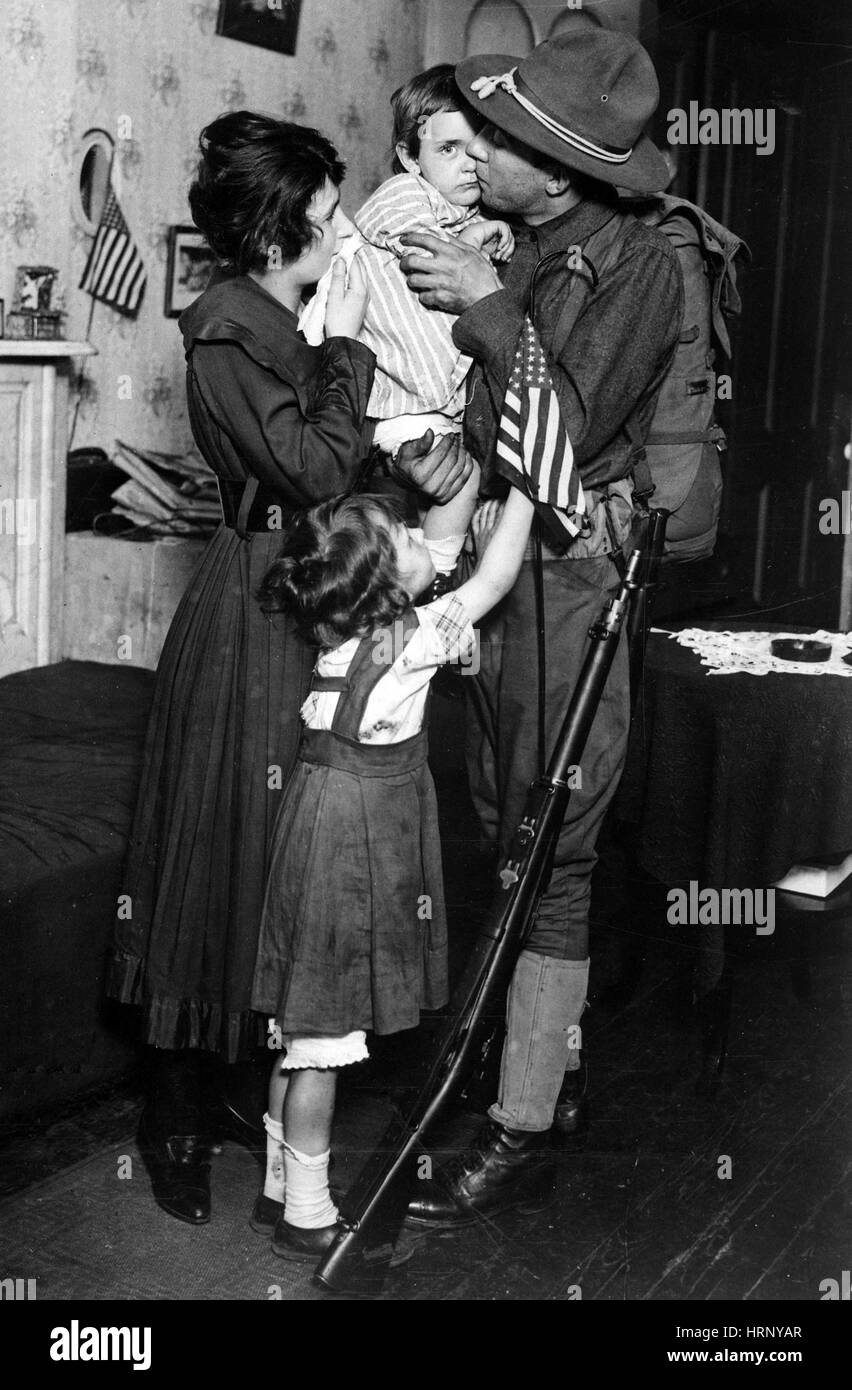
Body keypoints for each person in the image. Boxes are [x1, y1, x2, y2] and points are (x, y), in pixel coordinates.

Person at [107, 110, 472, 1226]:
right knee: (214, 853)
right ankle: (168, 1112)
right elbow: (313, 463)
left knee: (275, 858)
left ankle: (227, 1085)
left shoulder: (277, 311)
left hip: (307, 596)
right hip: (256, 608)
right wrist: (355, 345)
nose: (339, 232)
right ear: (276, 235)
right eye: (323, 218)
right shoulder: (226, 324)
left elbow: (341, 446)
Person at [395, 29, 685, 1222]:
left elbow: (560, 448)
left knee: (552, 849)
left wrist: (484, 306)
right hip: (500, 581)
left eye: (495, 140)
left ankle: (518, 1123)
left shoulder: (641, 269)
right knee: (493, 822)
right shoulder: (527, 240)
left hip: (571, 580)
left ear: (557, 170)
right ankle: (520, 1072)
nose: (477, 155)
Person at [249, 480, 534, 1259]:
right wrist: (526, 497)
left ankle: (277, 1186)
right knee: (324, 1039)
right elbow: (493, 578)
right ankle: (306, 1209)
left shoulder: (349, 631)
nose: (420, 536)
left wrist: (463, 487)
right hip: (353, 843)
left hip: (313, 825)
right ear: (385, 584)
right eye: (405, 536)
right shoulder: (407, 639)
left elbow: (436, 553)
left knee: (301, 1028)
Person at [299, 65, 514, 467]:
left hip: (435, 395)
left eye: (477, 145)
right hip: (391, 397)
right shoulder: (404, 193)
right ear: (409, 157)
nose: (468, 163)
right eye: (448, 149)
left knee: (458, 479)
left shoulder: (472, 212)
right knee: (455, 482)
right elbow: (433, 257)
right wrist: (471, 243)